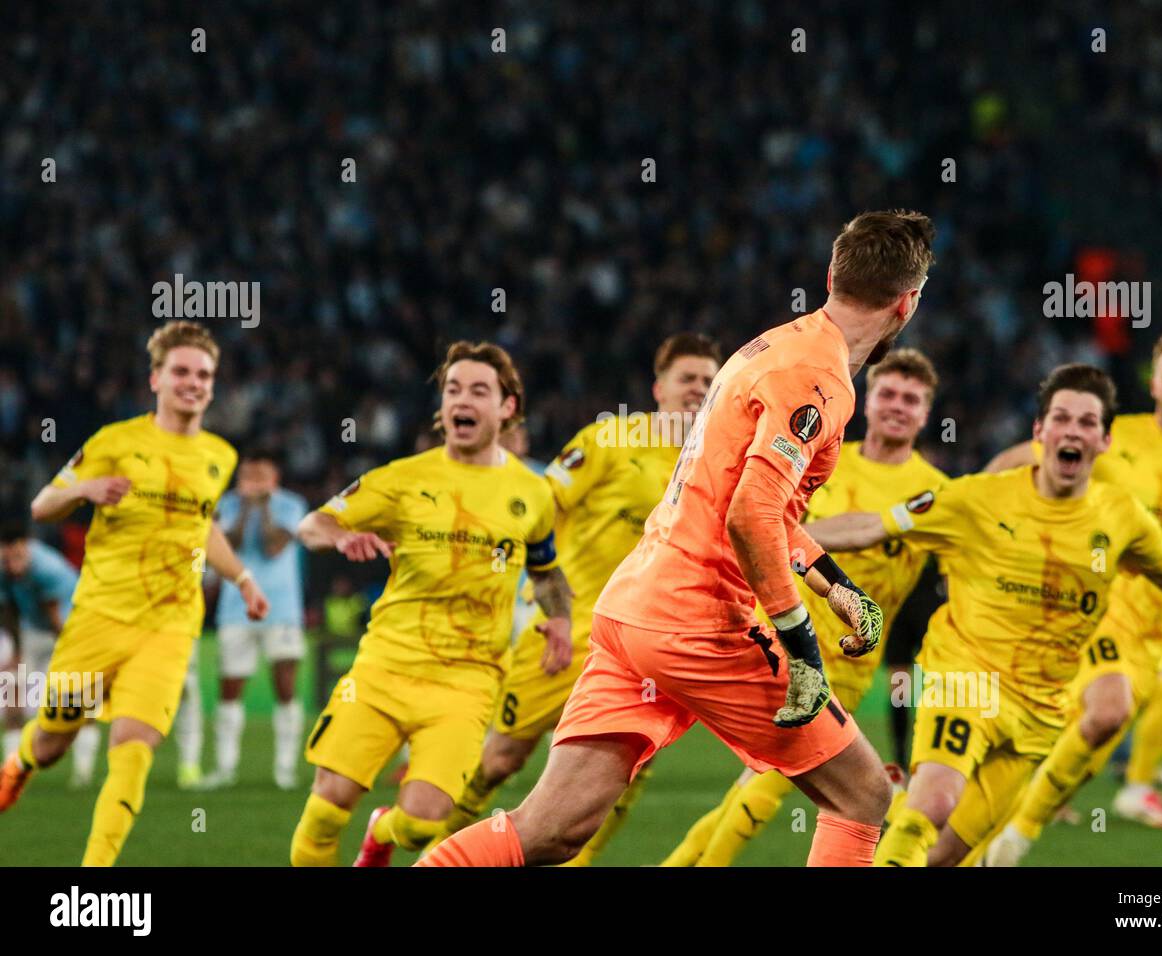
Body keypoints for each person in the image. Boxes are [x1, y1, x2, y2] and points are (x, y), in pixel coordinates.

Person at [415, 208, 935, 868]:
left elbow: (749, 506)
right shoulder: (819, 380)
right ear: (908, 302)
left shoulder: (769, 347)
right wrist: (801, 641)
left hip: (634, 609)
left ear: (832, 273)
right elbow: (750, 515)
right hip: (699, 621)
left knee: (549, 830)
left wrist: (831, 580)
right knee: (862, 795)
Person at [806, 363, 1162, 867]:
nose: (1072, 430)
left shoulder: (1122, 518)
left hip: (1039, 713)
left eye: (1087, 423)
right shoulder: (976, 498)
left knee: (946, 857)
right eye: (1061, 417)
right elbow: (872, 527)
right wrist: (783, 534)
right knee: (929, 805)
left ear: (1104, 441)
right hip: (966, 679)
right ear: (1040, 431)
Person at [983, 329, 1162, 864]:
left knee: (1087, 739)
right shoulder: (1113, 436)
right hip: (1088, 608)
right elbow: (1014, 461)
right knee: (1101, 713)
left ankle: (1001, 836)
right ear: (1155, 383)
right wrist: (981, 515)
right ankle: (1002, 836)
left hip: (1157, 634)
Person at [430, 332, 721, 866]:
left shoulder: (717, 461)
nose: (698, 389)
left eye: (709, 380)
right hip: (572, 631)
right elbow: (542, 503)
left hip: (650, 646)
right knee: (501, 759)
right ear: (659, 387)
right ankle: (433, 848)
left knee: (625, 770)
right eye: (688, 378)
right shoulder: (609, 439)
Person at [289, 341, 572, 867]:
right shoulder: (401, 479)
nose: (461, 400)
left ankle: (382, 834)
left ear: (507, 407)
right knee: (327, 809)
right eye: (453, 389)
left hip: (468, 679)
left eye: (478, 390)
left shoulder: (531, 494)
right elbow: (312, 523)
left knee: (421, 826)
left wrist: (559, 620)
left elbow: (545, 567)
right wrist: (339, 537)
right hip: (385, 666)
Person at [662, 347, 946, 866]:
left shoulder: (937, 493)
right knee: (763, 791)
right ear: (869, 401)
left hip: (852, 668)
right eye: (888, 394)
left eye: (912, 399)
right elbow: (766, 521)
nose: (898, 406)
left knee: (755, 788)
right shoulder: (821, 459)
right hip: (783, 645)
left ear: (927, 414)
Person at [0, 320, 269, 866]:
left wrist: (241, 577)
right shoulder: (115, 442)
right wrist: (86, 489)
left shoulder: (220, 456)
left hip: (169, 626)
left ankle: (93, 877)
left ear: (213, 385)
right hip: (99, 615)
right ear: (156, 379)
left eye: (204, 374)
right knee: (54, 738)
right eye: (182, 372)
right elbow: (42, 505)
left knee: (134, 746)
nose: (193, 383)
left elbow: (204, 525)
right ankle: (20, 761)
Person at [201, 445, 309, 790]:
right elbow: (225, 546)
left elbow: (272, 545)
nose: (254, 482)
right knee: (230, 687)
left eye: (261, 476)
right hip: (236, 608)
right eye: (248, 476)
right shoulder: (228, 506)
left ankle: (285, 771)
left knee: (286, 689)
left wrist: (261, 506)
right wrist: (247, 506)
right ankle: (225, 768)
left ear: (275, 478)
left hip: (282, 609)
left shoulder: (292, 505)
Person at [0, 519, 101, 788]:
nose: (11, 563)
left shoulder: (48, 568)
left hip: (71, 628)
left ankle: (83, 773)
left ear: (27, 547)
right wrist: (16, 651)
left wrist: (74, 656)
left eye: (16, 556)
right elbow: (8, 609)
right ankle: (11, 770)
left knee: (80, 699)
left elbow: (55, 616)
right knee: (14, 693)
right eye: (6, 557)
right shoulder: (3, 568)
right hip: (32, 630)